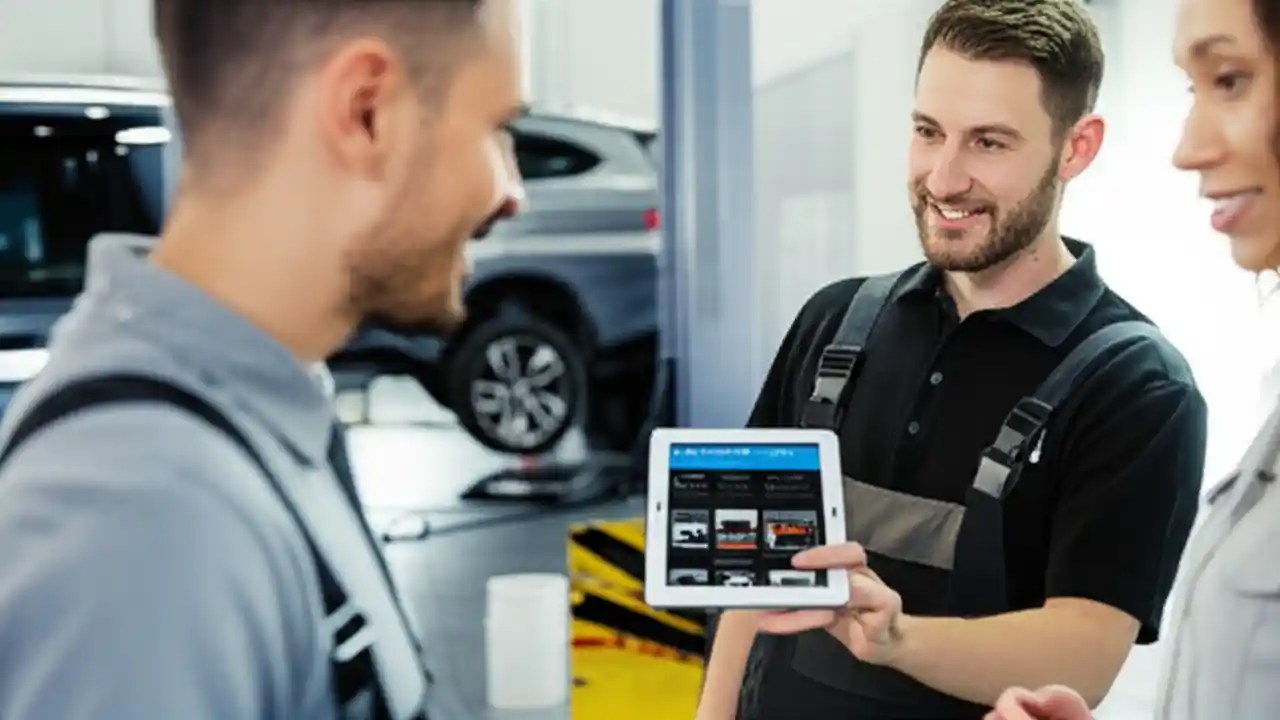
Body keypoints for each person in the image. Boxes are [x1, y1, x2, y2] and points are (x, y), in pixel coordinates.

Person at [0, 1, 525, 718]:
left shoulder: (258, 411)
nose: (511, 192)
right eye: (498, 129)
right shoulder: (143, 520)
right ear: (368, 109)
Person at [696, 1, 1211, 719]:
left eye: (989, 143)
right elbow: (748, 578)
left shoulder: (1138, 386)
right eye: (928, 132)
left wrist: (897, 637)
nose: (943, 178)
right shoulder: (832, 321)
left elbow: (1086, 652)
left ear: (1077, 147)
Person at [987, 0, 1280, 717]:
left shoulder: (1144, 385)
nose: (1189, 148)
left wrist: (892, 637)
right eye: (1194, 88)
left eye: (1232, 79)